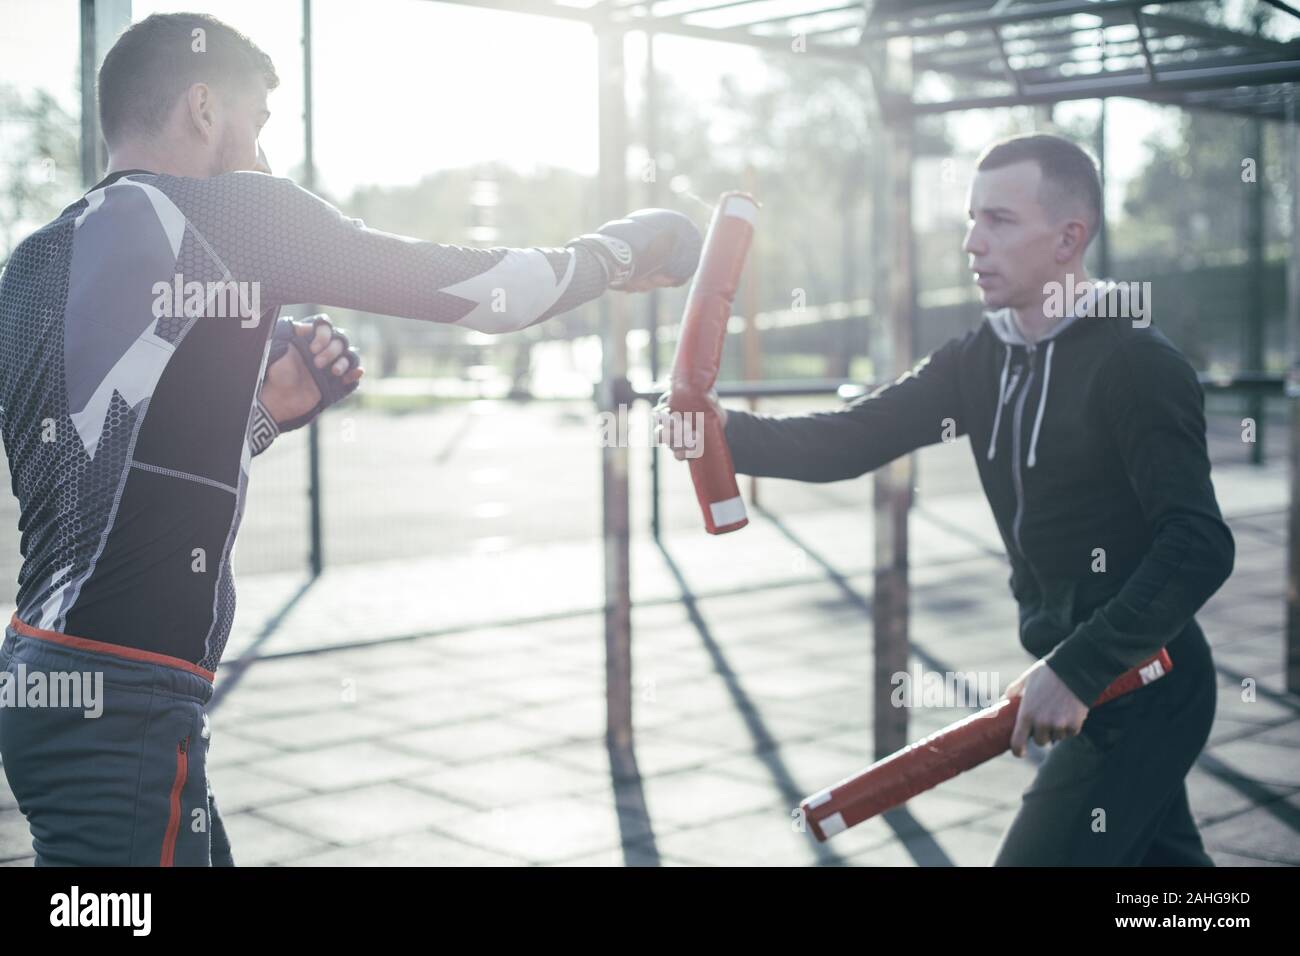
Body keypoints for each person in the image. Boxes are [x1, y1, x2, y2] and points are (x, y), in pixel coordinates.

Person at [0, 12, 700, 866]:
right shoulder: (232, 212)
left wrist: (261, 414)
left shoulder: (32, 261)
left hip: (44, 681)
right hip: (126, 703)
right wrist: (622, 251)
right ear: (204, 107)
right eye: (257, 126)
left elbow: (87, 471)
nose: (264, 158)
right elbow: (493, 293)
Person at [657, 133, 1233, 866]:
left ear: (1068, 238)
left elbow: (1198, 544)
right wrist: (723, 433)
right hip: (1075, 675)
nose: (970, 242)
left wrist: (1079, 669)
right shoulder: (979, 359)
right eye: (970, 218)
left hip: (1146, 682)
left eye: (998, 220)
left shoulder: (1135, 363)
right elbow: (851, 439)